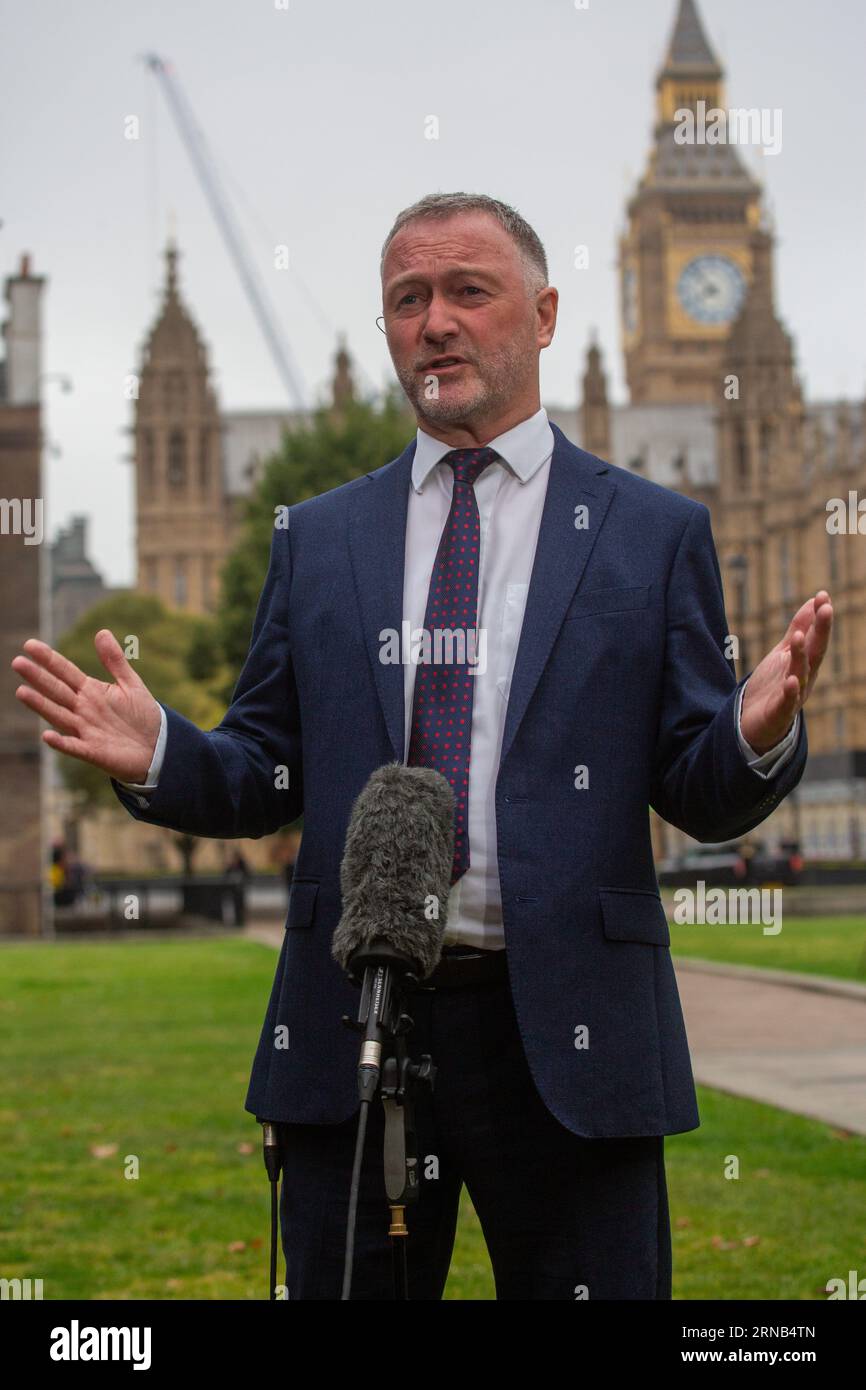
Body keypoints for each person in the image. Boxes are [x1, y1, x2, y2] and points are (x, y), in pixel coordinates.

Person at [11, 192, 832, 1300]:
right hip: (354, 1027)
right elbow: (266, 768)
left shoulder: (650, 531)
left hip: (572, 1038)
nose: (434, 320)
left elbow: (698, 787)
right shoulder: (319, 534)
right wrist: (165, 750)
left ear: (542, 315)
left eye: (466, 291)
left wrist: (749, 731)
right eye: (408, 298)